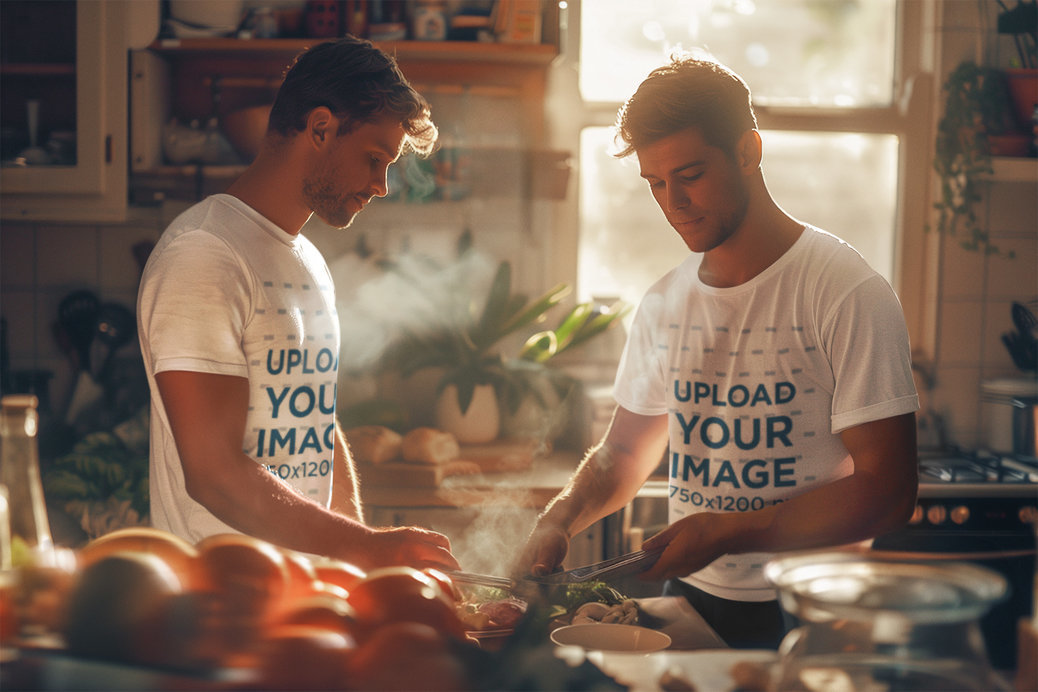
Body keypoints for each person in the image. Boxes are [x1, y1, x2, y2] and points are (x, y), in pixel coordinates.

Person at [519, 56, 919, 649]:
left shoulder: (843, 289)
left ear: (748, 152)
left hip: (816, 608)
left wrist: (732, 531)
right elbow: (626, 450)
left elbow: (888, 491)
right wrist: (558, 518)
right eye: (655, 183)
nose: (672, 202)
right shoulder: (665, 302)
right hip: (693, 601)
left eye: (691, 173)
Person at [137, 36, 459, 572]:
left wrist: (359, 557)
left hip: (306, 595)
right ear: (320, 127)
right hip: (223, 607)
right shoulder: (204, 255)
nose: (382, 185)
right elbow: (213, 474)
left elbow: (314, 417)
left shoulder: (306, 259)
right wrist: (367, 546)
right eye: (374, 158)